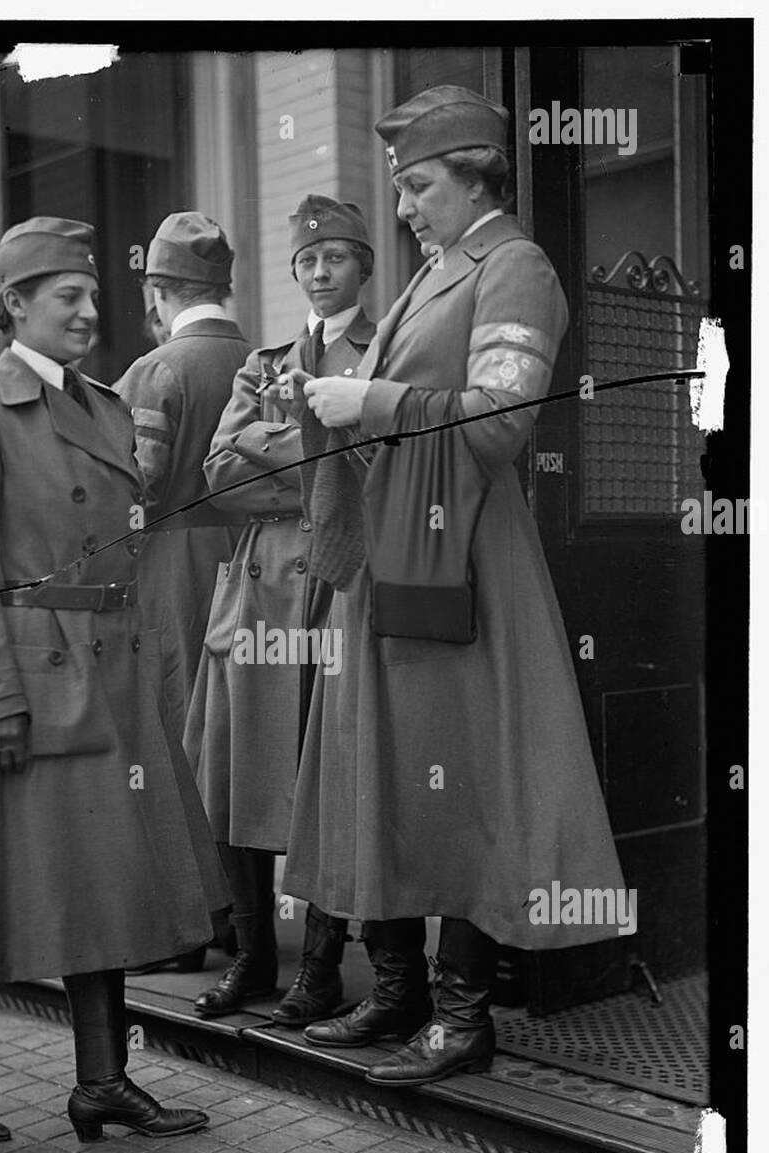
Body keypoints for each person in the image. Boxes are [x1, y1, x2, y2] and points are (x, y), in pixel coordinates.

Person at [284, 85, 628, 1084]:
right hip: (404, 552)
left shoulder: (513, 265)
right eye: (398, 186)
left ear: (478, 174)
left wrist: (371, 397)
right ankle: (396, 995)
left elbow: (498, 422)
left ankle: (463, 1017)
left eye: (418, 183)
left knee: (463, 777)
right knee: (388, 770)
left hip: (464, 557)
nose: (401, 206)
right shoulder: (434, 272)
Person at [0, 217, 229, 1144]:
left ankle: (102, 1081)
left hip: (111, 678)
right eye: (68, 297)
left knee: (107, 881)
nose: (90, 310)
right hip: (30, 686)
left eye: (93, 294)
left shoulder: (107, 405)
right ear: (13, 307)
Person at [183, 196, 376, 1025]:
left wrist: (283, 447)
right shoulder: (264, 362)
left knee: (325, 777)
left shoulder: (384, 352)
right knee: (234, 775)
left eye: (336, 258)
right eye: (308, 262)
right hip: (258, 589)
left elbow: (369, 461)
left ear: (364, 267)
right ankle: (256, 959)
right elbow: (217, 472)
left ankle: (323, 970)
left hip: (334, 585)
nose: (321, 273)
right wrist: (310, 446)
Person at [113, 213, 250, 974]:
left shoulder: (156, 369)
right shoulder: (259, 356)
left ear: (160, 290)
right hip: (245, 558)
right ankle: (239, 917)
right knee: (233, 735)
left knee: (174, 735)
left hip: (170, 568)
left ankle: (196, 918)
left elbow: (137, 484)